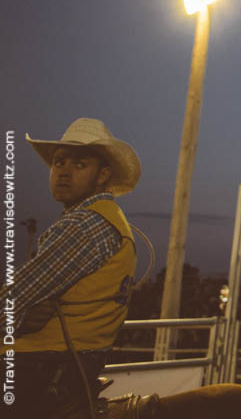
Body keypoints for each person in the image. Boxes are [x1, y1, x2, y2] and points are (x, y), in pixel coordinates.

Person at [1, 118, 141, 417]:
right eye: (58, 162)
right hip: (70, 362)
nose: (63, 171)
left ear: (102, 175)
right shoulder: (110, 220)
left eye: (80, 165)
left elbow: (15, 297)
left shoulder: (85, 224)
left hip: (41, 364)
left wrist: (19, 315)